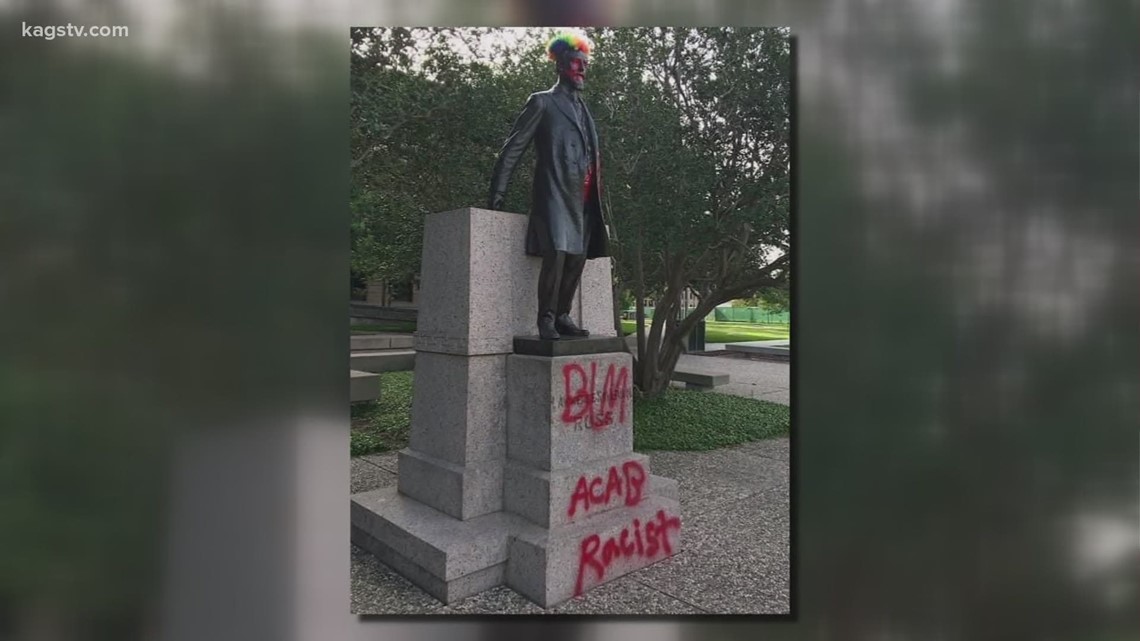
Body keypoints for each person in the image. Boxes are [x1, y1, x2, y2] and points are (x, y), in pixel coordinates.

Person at [488, 31, 610, 340]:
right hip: (554, 192)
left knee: (577, 258)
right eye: (575, 63)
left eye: (585, 64)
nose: (582, 70)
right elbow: (513, 147)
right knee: (556, 251)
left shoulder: (585, 111)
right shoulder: (542, 102)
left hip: (583, 198)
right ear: (560, 66)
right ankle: (545, 318)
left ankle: (563, 314)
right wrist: (498, 190)